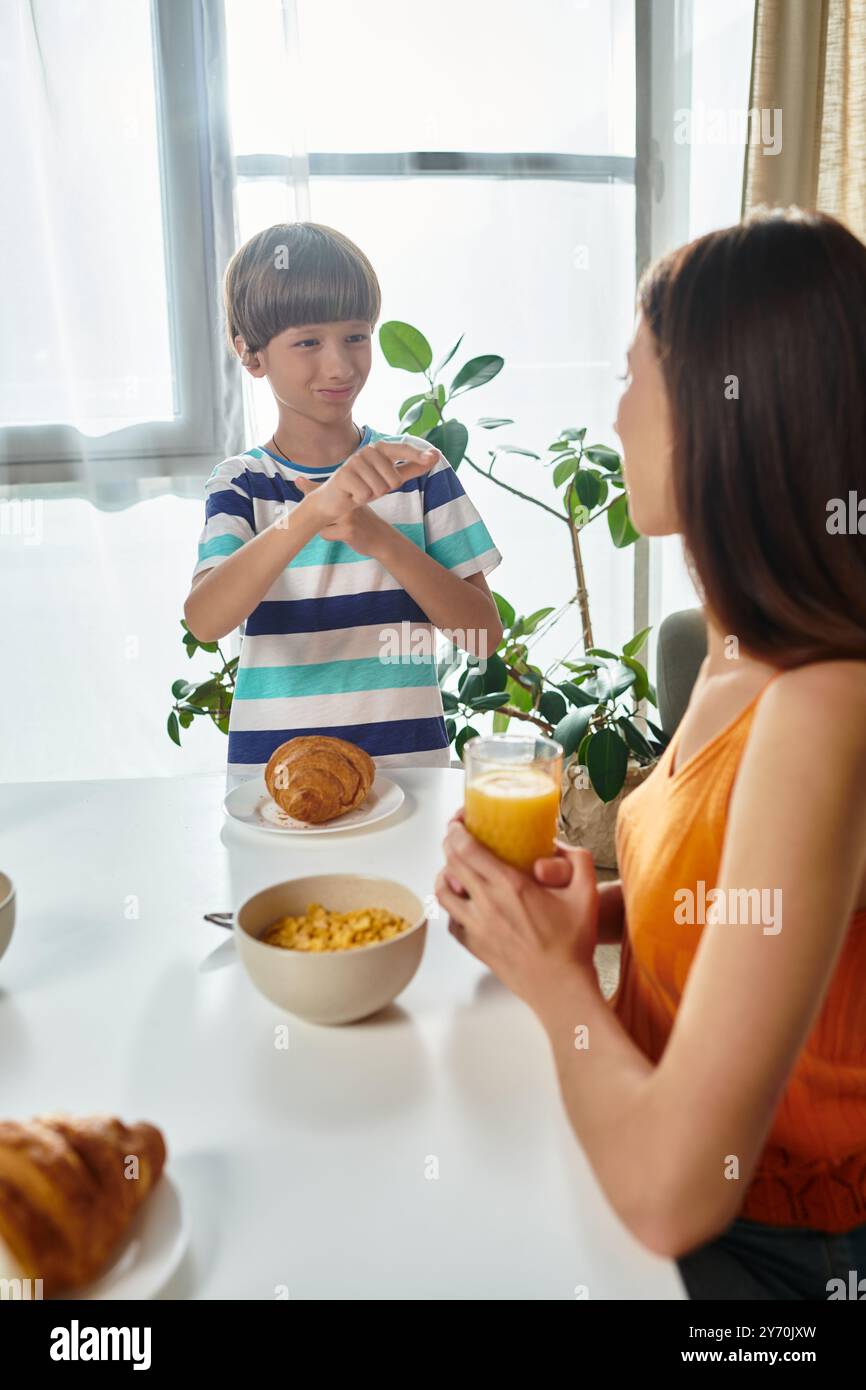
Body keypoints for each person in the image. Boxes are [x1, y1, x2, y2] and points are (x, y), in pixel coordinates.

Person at [436, 207, 866, 1300]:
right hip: (641, 1124)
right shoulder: (732, 648)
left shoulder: (827, 705)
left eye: (634, 373)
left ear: (730, 412)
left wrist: (548, 976)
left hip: (780, 1255)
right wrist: (596, 913)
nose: (615, 410)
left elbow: (677, 1191)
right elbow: (744, 902)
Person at [184, 222, 502, 778]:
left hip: (410, 777)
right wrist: (312, 513)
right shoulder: (241, 484)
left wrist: (374, 535)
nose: (340, 365)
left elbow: (481, 636)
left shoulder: (417, 468)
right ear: (251, 354)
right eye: (308, 342)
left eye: (356, 336)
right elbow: (207, 620)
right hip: (274, 786)